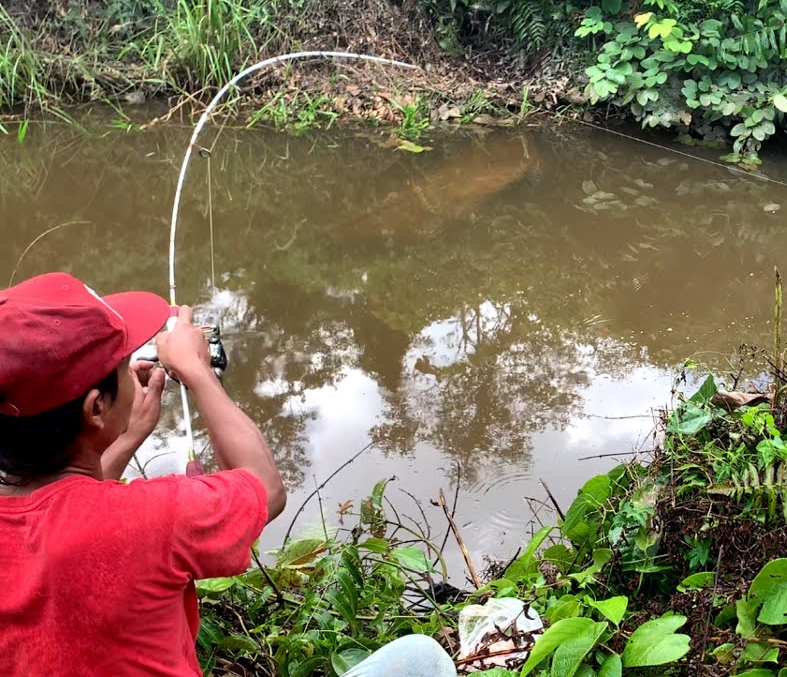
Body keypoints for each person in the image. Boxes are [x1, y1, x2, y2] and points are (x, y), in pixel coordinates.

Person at [0, 272, 456, 677]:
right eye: (121, 364)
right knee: (422, 659)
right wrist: (199, 373)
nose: (132, 366)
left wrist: (122, 439)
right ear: (96, 408)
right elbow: (265, 489)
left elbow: (62, 513)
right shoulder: (151, 517)